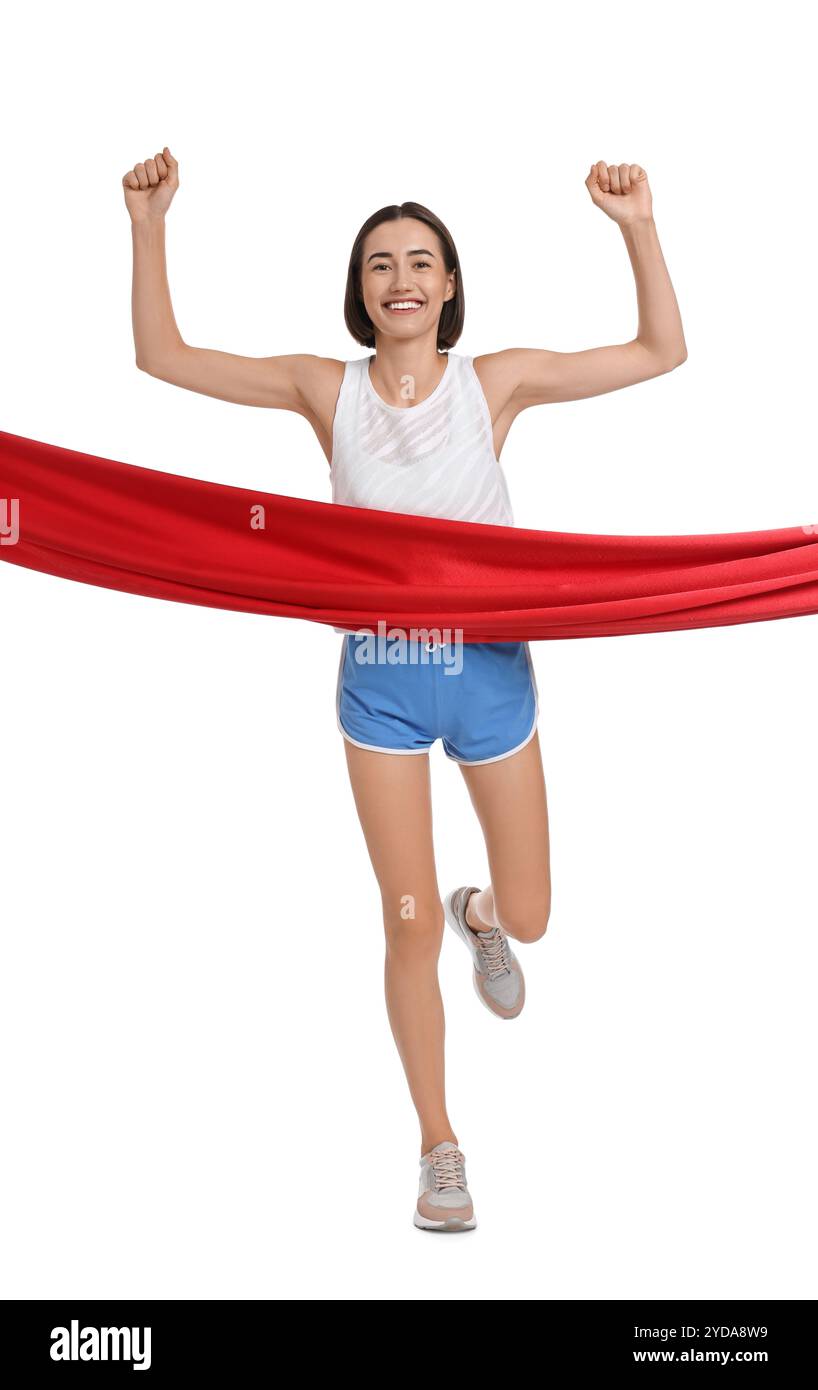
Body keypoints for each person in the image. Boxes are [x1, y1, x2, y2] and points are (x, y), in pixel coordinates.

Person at [123, 148, 687, 1231]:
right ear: (361, 288)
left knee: (528, 913)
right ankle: (439, 1143)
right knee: (406, 920)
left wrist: (637, 225)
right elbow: (162, 356)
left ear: (448, 286)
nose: (401, 278)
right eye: (381, 263)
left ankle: (488, 912)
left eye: (420, 261)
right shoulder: (319, 386)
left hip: (486, 676)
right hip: (379, 682)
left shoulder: (496, 381)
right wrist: (151, 223)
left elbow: (662, 350)